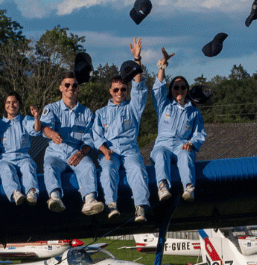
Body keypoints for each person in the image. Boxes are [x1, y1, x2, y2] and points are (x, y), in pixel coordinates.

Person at [92, 41, 152, 222]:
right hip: (109, 150)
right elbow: (96, 135)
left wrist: (137, 60)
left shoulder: (133, 107)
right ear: (110, 91)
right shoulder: (101, 113)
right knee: (108, 169)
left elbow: (139, 87)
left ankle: (140, 206)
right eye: (116, 89)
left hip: (129, 149)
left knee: (137, 168)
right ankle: (111, 205)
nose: (120, 92)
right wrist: (104, 150)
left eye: (123, 89)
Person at [35, 74, 103, 215]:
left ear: (78, 89)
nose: (70, 88)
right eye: (67, 85)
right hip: (55, 152)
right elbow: (44, 128)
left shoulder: (87, 113)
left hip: (76, 152)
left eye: (74, 85)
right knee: (49, 165)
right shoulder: (51, 108)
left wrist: (81, 153)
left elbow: (89, 139)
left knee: (89, 165)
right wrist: (52, 134)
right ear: (61, 88)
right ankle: (54, 198)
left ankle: (89, 201)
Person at [149, 50, 204, 202]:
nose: (179, 90)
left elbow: (199, 133)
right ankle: (163, 187)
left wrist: (191, 144)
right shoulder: (164, 106)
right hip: (163, 144)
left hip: (181, 146)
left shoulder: (194, 112)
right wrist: (163, 66)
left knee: (186, 156)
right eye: (176, 87)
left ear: (187, 90)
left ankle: (189, 187)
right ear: (171, 90)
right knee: (160, 154)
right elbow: (157, 89)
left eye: (182, 87)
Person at [0, 93, 43, 205]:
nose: (11, 105)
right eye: (8, 102)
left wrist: (36, 118)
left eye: (14, 102)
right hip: (5, 158)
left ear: (19, 104)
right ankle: (15, 193)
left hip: (23, 157)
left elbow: (36, 129)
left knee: (28, 165)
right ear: (4, 105)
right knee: (5, 168)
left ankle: (31, 192)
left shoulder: (25, 120)